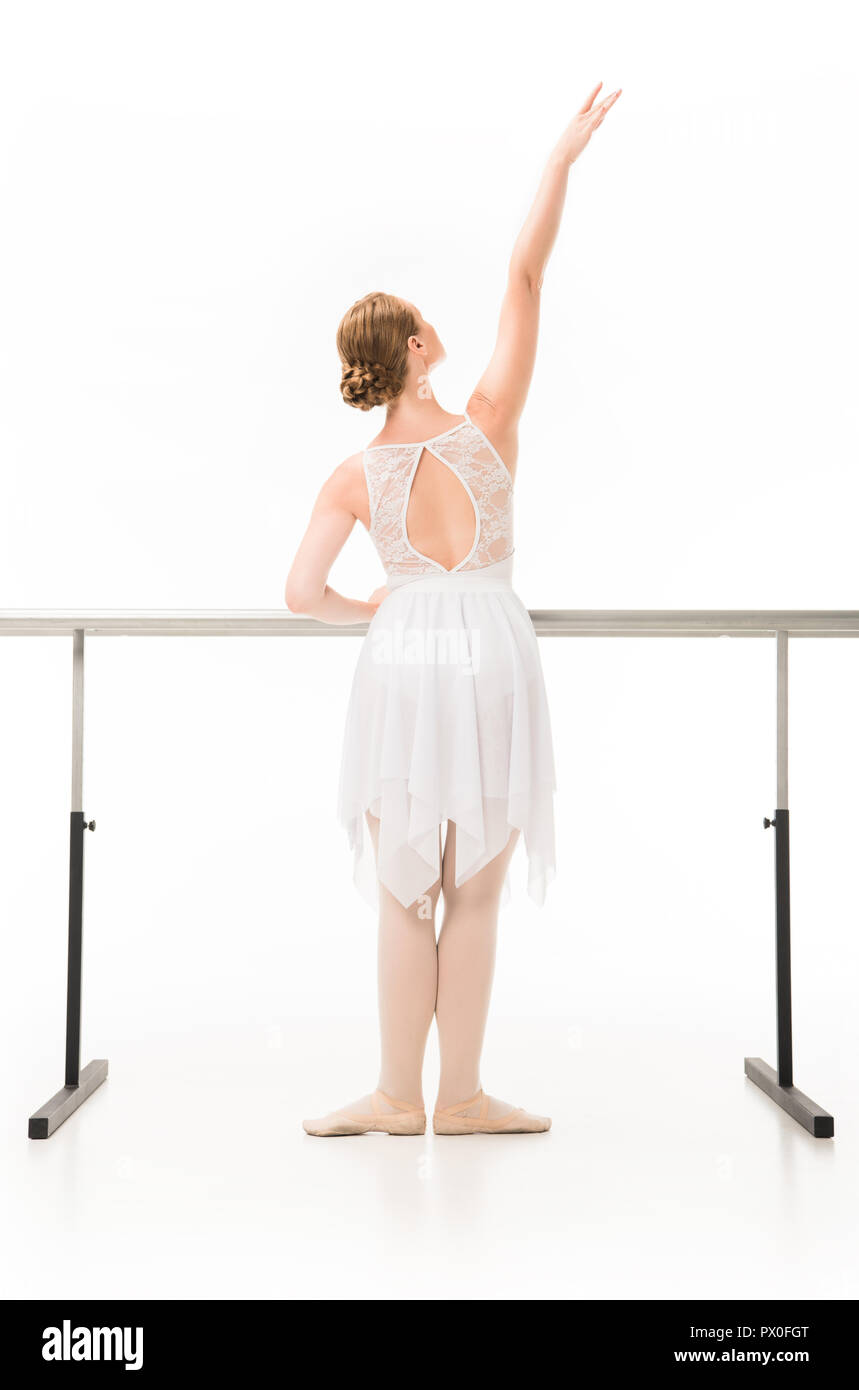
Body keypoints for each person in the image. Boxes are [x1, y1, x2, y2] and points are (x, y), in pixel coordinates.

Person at [285, 83, 621, 1137]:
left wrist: (371, 606)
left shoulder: (354, 475)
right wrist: (558, 162)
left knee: (404, 888)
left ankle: (397, 1095)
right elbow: (525, 275)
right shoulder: (487, 424)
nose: (439, 325)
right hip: (490, 648)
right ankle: (462, 1096)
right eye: (427, 321)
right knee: (473, 885)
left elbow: (299, 594)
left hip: (402, 652)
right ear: (418, 349)